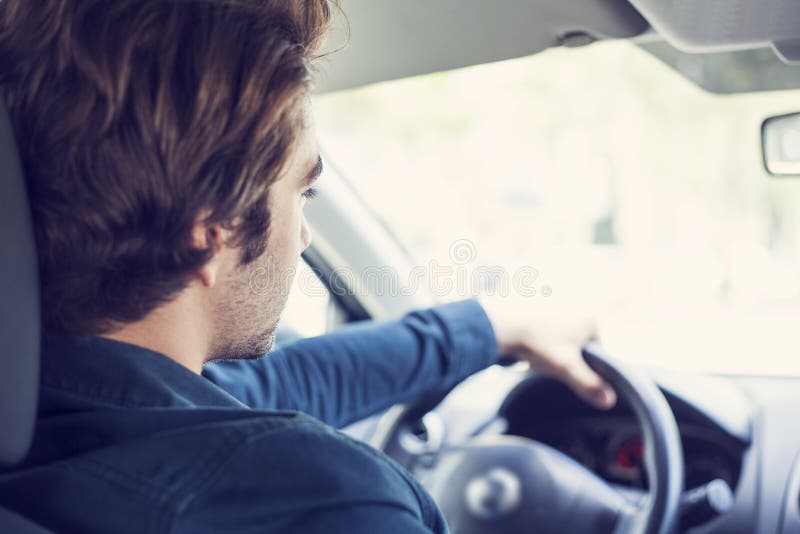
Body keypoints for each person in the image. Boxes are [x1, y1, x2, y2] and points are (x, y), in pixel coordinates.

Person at [0, 0, 616, 532]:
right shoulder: (322, 502)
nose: (303, 236)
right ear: (211, 231)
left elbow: (270, 387)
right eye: (302, 192)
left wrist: (492, 323)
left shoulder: (45, 407)